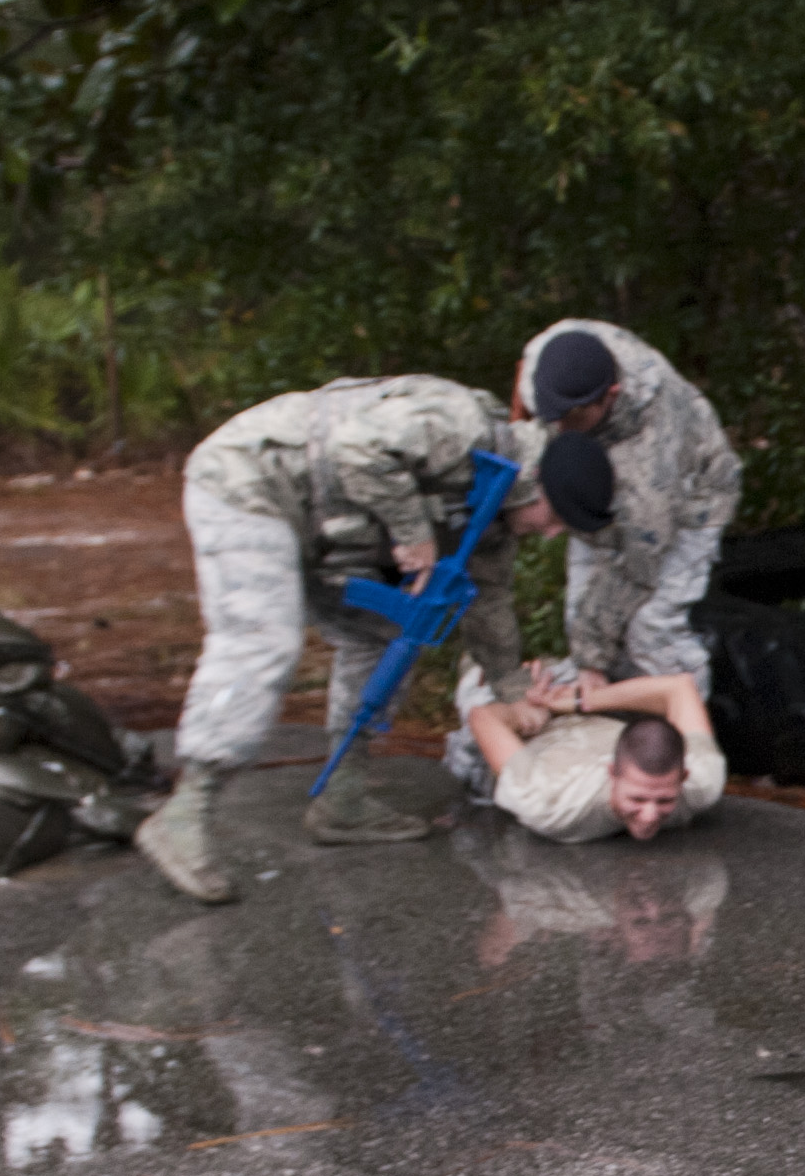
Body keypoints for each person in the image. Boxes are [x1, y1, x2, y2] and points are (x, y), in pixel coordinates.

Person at [136, 373, 601, 905]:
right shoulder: (463, 425)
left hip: (322, 528)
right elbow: (359, 448)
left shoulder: (494, 518)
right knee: (263, 641)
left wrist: (513, 690)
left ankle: (344, 798)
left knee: (383, 636)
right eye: (556, 519)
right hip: (250, 484)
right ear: (539, 483)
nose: (550, 534)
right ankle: (186, 810)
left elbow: (489, 607)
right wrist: (414, 533)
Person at [512, 321, 743, 690]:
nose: (562, 429)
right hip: (590, 480)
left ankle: (680, 726)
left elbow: (637, 567)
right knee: (581, 614)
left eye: (575, 419)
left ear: (612, 394)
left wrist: (591, 655)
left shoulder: (654, 451)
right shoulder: (553, 354)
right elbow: (528, 410)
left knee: (650, 630)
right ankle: (606, 710)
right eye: (556, 417)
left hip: (688, 502)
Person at [463, 667, 726, 846]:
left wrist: (580, 701)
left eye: (665, 800)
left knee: (551, 673)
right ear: (611, 773)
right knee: (480, 680)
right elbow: (482, 716)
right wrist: (522, 713)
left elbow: (679, 688)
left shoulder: (703, 780)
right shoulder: (549, 800)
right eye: (637, 798)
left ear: (684, 777)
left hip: (568, 711)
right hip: (528, 720)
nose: (649, 816)